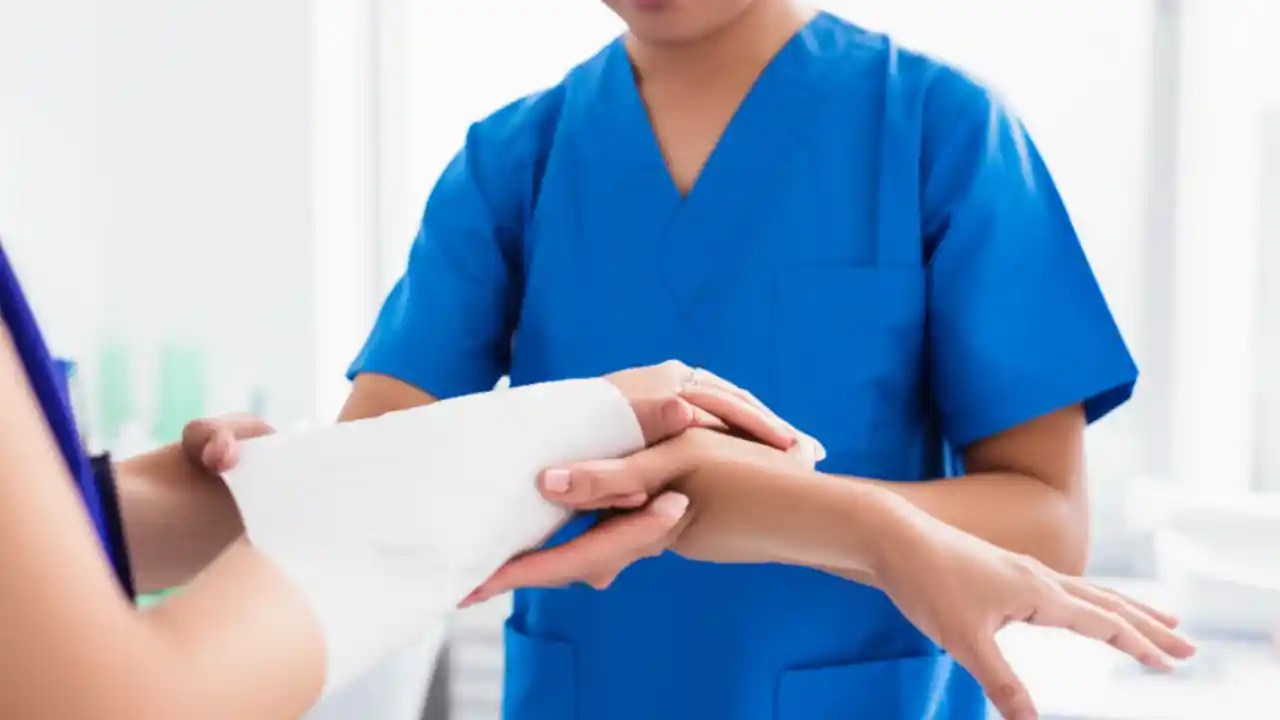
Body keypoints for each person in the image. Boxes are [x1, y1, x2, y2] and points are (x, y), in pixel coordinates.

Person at [343, 1, 1176, 718]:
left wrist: (773, 507)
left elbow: (1047, 527)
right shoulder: (512, 163)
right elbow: (366, 488)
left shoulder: (940, 132)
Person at [1, 246, 1189, 720]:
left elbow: (97, 545)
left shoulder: (942, 133)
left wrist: (137, 493)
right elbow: (99, 701)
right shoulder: (513, 161)